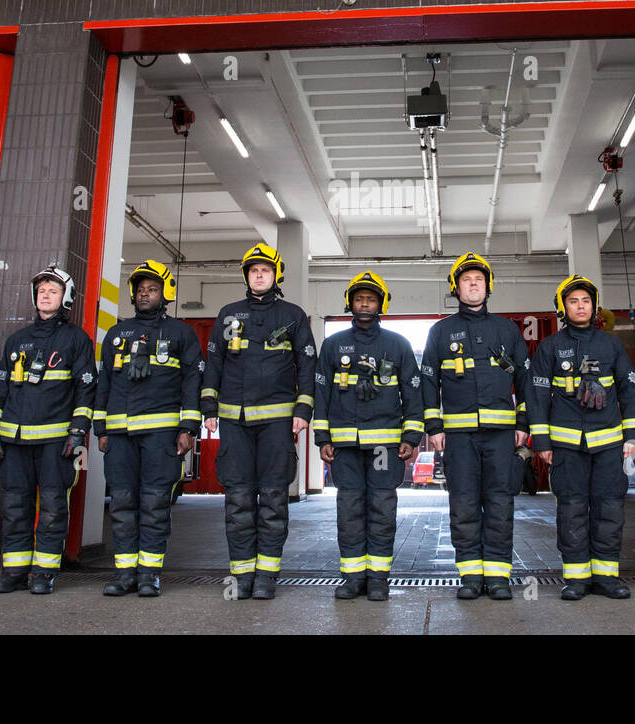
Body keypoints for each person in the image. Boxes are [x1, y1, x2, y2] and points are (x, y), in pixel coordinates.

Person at [201, 243, 316, 600]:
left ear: (277, 274)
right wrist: (208, 408)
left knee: (272, 498)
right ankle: (241, 575)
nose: (259, 274)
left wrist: (303, 411)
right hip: (234, 421)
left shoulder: (293, 316)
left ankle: (266, 575)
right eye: (253, 270)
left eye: (266, 270)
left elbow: (308, 366)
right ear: (247, 276)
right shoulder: (227, 314)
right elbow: (214, 364)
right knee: (237, 499)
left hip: (277, 424)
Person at [421, 253, 531, 600]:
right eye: (467, 280)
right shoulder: (439, 331)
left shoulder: (506, 330)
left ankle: (498, 576)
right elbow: (427, 382)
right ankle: (470, 575)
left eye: (479, 280)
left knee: (500, 502)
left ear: (488, 287)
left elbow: (525, 379)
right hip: (458, 436)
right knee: (464, 503)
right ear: (456, 288)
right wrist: (434, 425)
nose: (473, 284)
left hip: (501, 433)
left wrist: (523, 420)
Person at [0, 265, 95, 595]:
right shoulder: (17, 340)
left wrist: (78, 432)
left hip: (56, 442)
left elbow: (86, 389)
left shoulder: (76, 340)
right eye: (42, 291)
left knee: (53, 506)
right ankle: (15, 571)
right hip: (14, 442)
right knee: (15, 507)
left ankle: (44, 572)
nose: (45, 295)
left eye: (53, 291)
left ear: (66, 298)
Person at [528, 274, 635, 600]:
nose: (580, 306)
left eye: (586, 301)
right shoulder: (550, 347)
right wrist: (543, 443)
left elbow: (630, 392)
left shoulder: (611, 345)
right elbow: (536, 397)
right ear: (563, 308)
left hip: (609, 443)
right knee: (572, 509)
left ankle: (607, 577)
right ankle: (576, 577)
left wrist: (632, 436)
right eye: (574, 301)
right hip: (566, 446)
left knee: (609, 509)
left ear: (594, 307)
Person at [95, 261, 203, 597]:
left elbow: (193, 384)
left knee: (155, 504)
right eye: (140, 289)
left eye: (152, 289)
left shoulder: (181, 334)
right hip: (120, 435)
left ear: (165, 293)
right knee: (123, 503)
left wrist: (188, 428)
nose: (144, 294)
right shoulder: (116, 334)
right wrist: (101, 427)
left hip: (161, 435)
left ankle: (149, 575)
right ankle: (126, 574)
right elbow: (104, 384)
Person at [313, 271, 422, 601]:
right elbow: (321, 394)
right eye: (359, 298)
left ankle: (378, 578)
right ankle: (352, 577)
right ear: (350, 302)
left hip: (384, 446)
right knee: (348, 510)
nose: (364, 304)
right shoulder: (333, 346)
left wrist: (412, 436)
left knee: (381, 509)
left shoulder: (397, 345)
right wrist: (323, 438)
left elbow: (413, 393)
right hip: (344, 446)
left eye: (371, 299)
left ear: (381, 304)